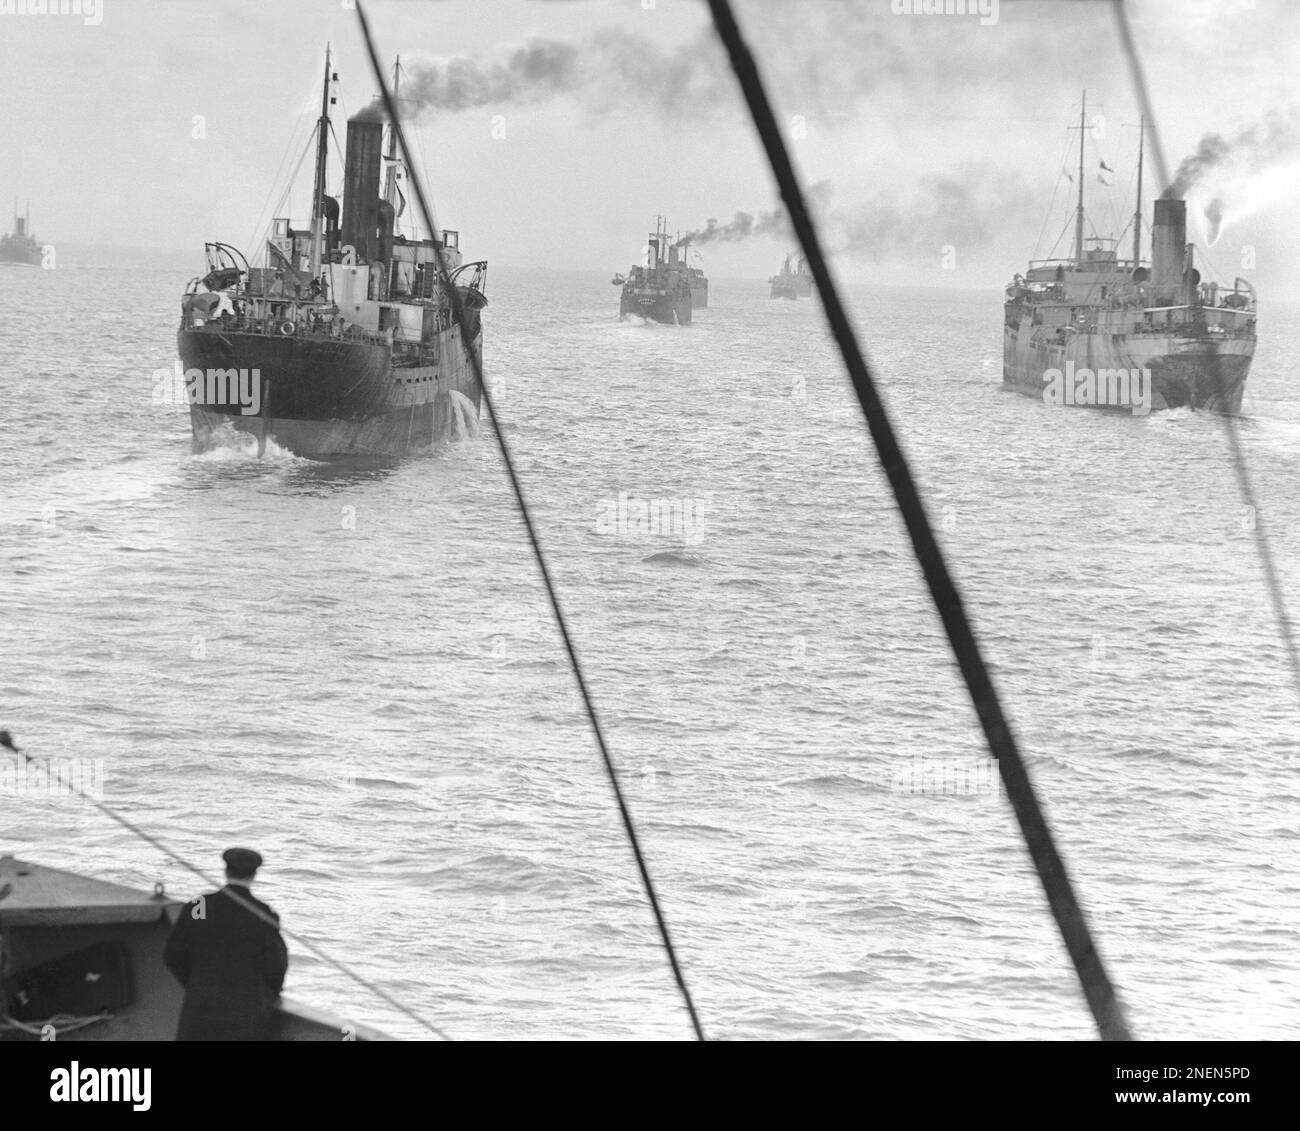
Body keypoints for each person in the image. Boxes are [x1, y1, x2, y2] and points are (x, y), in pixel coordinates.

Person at [163, 848, 289, 1041]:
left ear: (226, 871)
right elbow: (276, 965)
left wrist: (194, 982)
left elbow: (173, 954)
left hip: (200, 1007)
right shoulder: (264, 913)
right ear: (254, 875)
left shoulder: (200, 906)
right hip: (246, 1013)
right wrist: (268, 994)